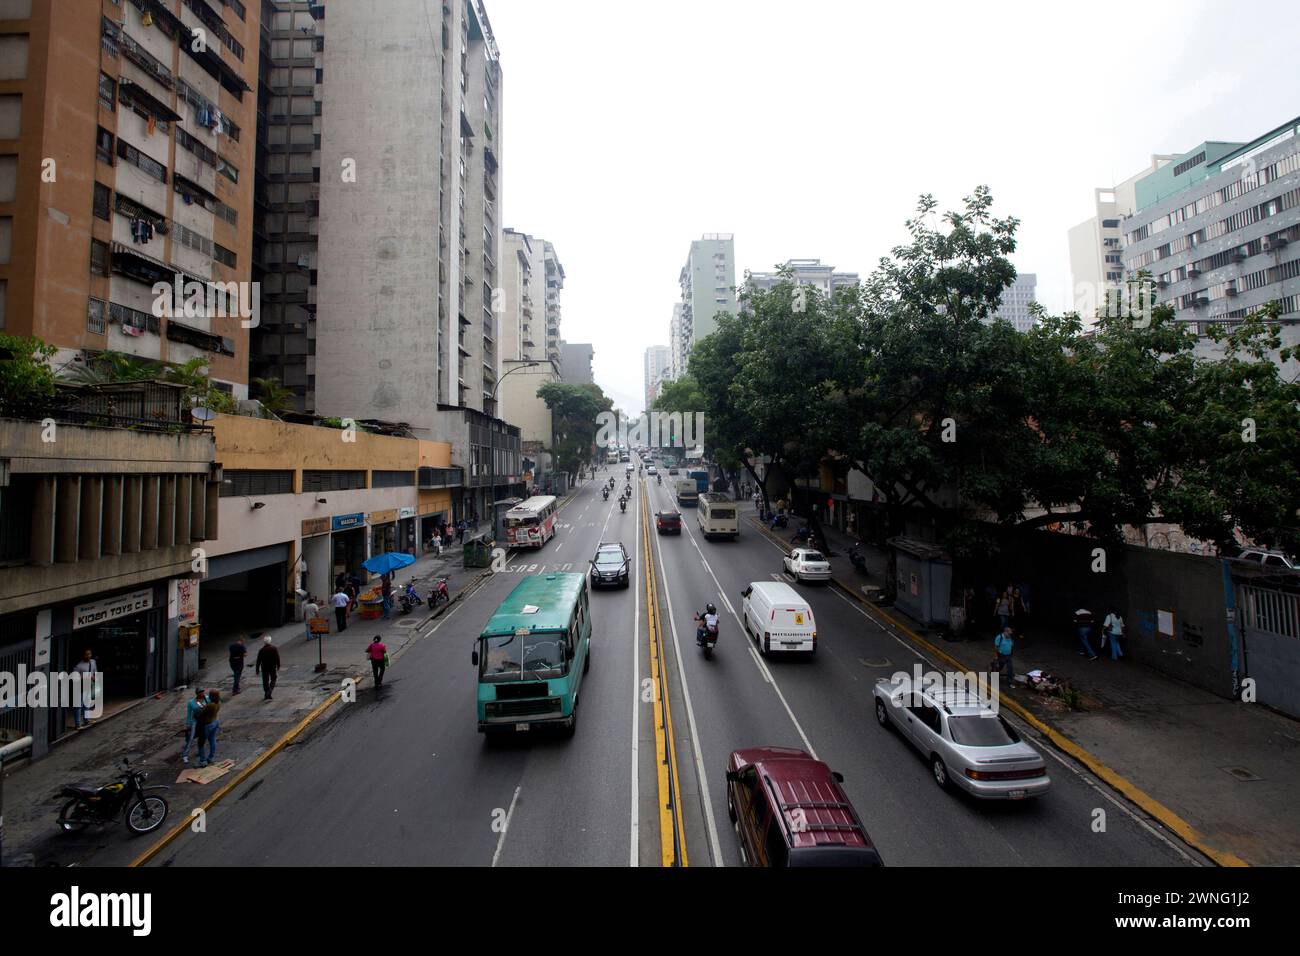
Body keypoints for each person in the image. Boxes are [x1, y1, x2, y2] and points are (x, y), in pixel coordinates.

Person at [71, 648, 97, 729]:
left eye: (89, 654)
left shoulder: (93, 662)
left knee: (87, 704)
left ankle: (87, 720)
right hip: (79, 687)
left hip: (89, 686)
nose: (88, 656)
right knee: (78, 706)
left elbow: (94, 671)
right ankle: (78, 724)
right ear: (83, 655)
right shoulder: (79, 666)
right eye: (86, 654)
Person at [195, 689, 221, 768]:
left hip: (207, 724)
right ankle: (210, 757)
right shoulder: (218, 703)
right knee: (212, 740)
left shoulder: (210, 705)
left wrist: (201, 708)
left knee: (201, 743)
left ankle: (203, 760)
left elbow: (201, 714)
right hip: (215, 722)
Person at [181, 687, 207, 764]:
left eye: (202, 691)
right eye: (200, 692)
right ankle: (185, 755)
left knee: (202, 737)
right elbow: (189, 714)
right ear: (197, 693)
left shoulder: (207, 699)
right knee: (191, 738)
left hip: (203, 721)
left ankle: (200, 752)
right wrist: (188, 724)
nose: (202, 693)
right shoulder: (191, 702)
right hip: (194, 722)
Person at [255, 635, 281, 700]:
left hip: (264, 667)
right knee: (273, 678)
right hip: (272, 666)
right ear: (270, 641)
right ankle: (269, 692)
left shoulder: (261, 650)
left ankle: (267, 692)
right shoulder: (274, 648)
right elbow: (277, 658)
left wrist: (257, 669)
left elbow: (258, 660)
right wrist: (278, 665)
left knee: (265, 681)